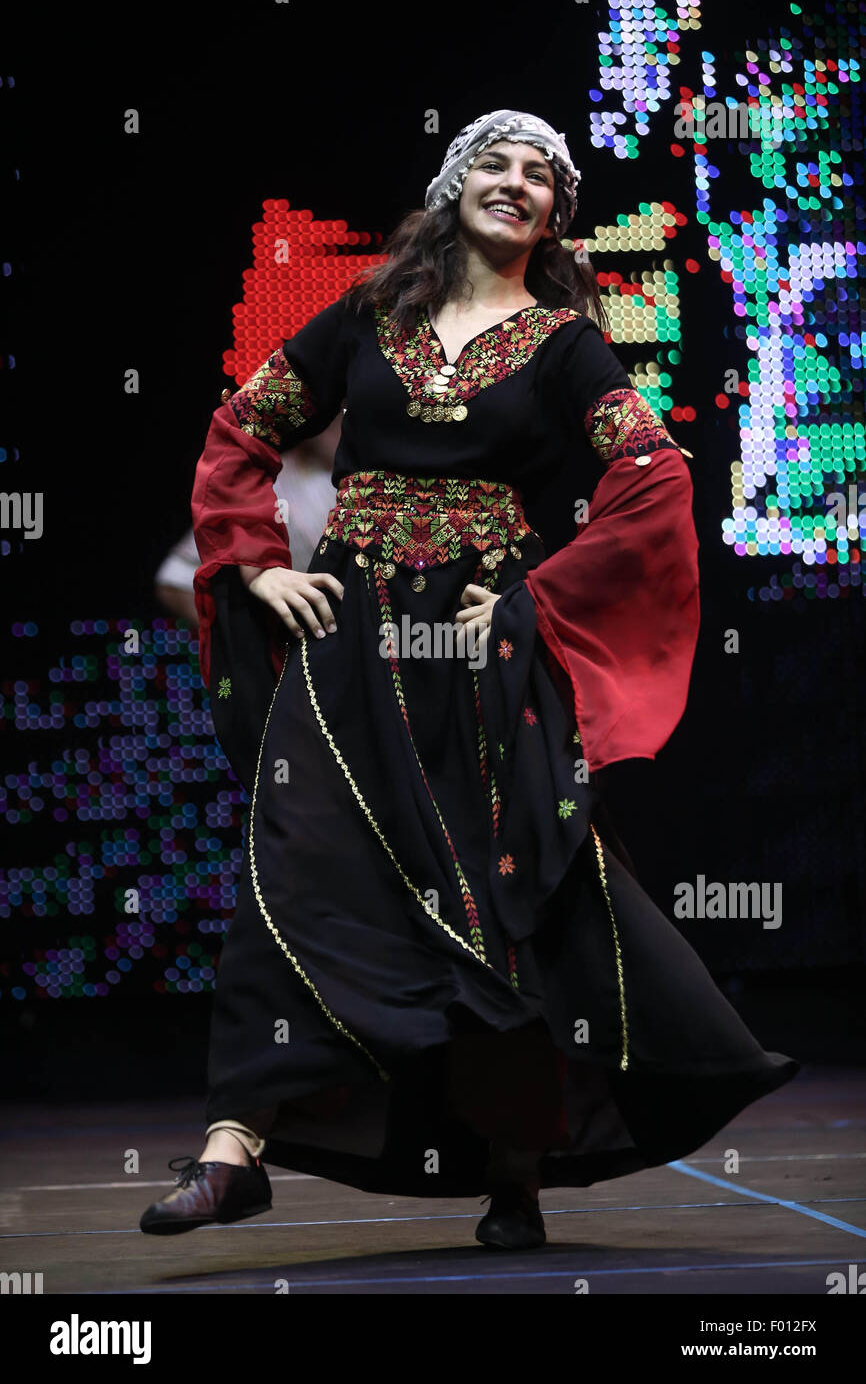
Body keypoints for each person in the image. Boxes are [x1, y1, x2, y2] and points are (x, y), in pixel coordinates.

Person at [140, 109, 799, 1251]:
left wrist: (538, 598)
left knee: (501, 902)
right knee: (290, 867)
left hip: (478, 650)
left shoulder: (560, 345)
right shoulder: (364, 318)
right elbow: (242, 427)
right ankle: (231, 1147)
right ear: (451, 188)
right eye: (490, 162)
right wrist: (250, 566)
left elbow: (650, 475)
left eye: (538, 174)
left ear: (554, 214)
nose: (512, 181)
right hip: (346, 644)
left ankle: (513, 1165)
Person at [153, 416, 342, 623]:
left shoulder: (373, 484)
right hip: (311, 643)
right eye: (334, 417)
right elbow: (176, 577)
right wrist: (247, 643)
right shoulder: (269, 487)